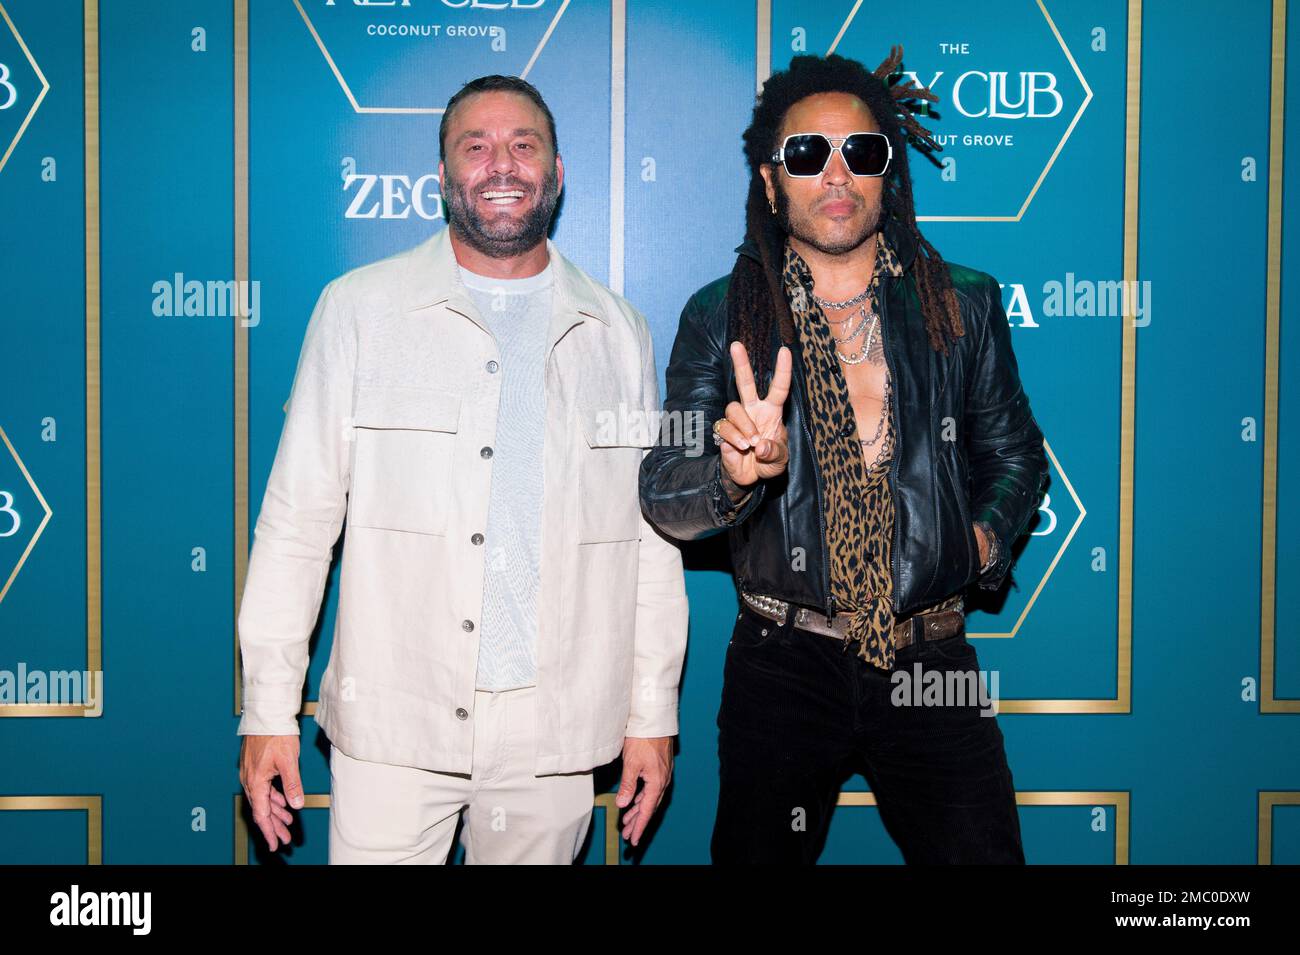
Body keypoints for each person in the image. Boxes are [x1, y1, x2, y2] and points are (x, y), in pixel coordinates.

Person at [236, 75, 687, 864]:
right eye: (474, 148)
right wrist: (267, 708)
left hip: (554, 731)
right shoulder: (359, 310)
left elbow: (647, 543)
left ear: (558, 170)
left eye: (523, 145)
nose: (500, 164)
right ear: (442, 177)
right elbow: (297, 522)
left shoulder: (619, 333)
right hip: (392, 722)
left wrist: (651, 712)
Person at [639, 50, 1049, 863]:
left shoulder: (961, 302)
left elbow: (1015, 455)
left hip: (929, 655)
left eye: (862, 152)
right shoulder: (722, 314)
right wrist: (732, 474)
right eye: (807, 154)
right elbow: (663, 490)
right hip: (782, 663)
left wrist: (976, 544)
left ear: (887, 176)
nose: (836, 174)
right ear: (770, 181)